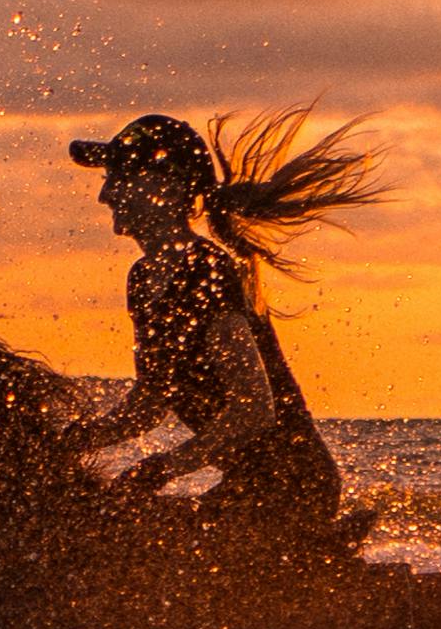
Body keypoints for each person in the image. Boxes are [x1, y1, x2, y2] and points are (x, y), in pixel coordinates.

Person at [68, 110, 377, 557]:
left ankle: (311, 552)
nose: (105, 194)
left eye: (119, 177)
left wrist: (162, 468)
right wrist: (71, 442)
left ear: (168, 188)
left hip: (292, 488)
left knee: (134, 548)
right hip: (243, 485)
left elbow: (254, 410)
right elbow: (150, 402)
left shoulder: (207, 270)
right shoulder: (143, 278)